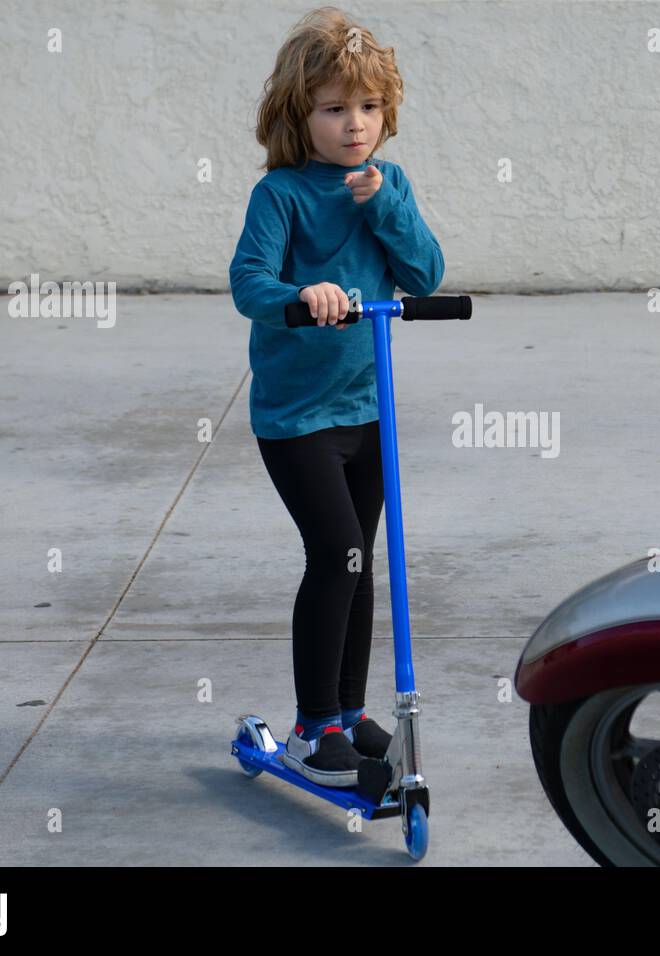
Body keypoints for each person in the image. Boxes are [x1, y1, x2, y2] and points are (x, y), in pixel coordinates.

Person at [229, 6, 444, 787]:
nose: (355, 124)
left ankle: (349, 714)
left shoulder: (389, 187)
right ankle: (311, 723)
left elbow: (425, 274)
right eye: (334, 108)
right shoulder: (280, 197)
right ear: (299, 114)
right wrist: (302, 292)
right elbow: (247, 283)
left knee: (365, 558)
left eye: (368, 107)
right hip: (297, 418)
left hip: (368, 407)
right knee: (337, 553)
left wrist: (382, 204)